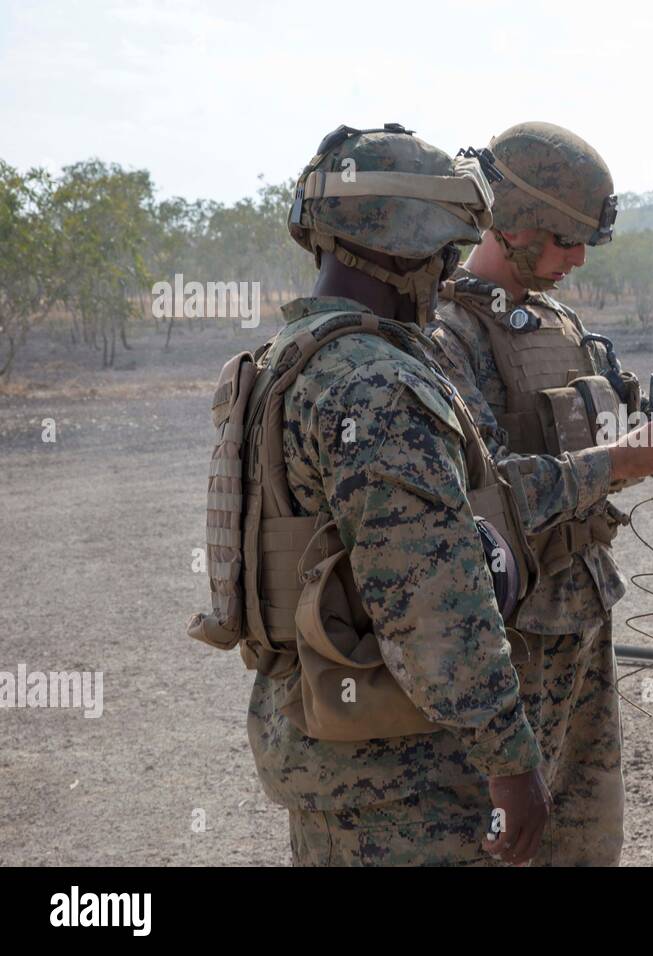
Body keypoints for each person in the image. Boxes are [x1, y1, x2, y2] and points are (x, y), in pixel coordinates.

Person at [189, 124, 550, 865]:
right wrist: (512, 762)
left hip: (323, 744)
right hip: (400, 776)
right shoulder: (379, 386)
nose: (448, 271)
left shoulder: (287, 361)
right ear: (401, 247)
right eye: (443, 250)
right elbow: (435, 615)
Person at [429, 121, 653, 865]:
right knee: (504, 841)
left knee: (587, 840)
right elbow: (491, 497)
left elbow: (632, 425)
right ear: (513, 223)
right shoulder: (447, 336)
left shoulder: (564, 325)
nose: (577, 258)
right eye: (564, 239)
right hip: (512, 640)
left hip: (586, 618)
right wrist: (630, 458)